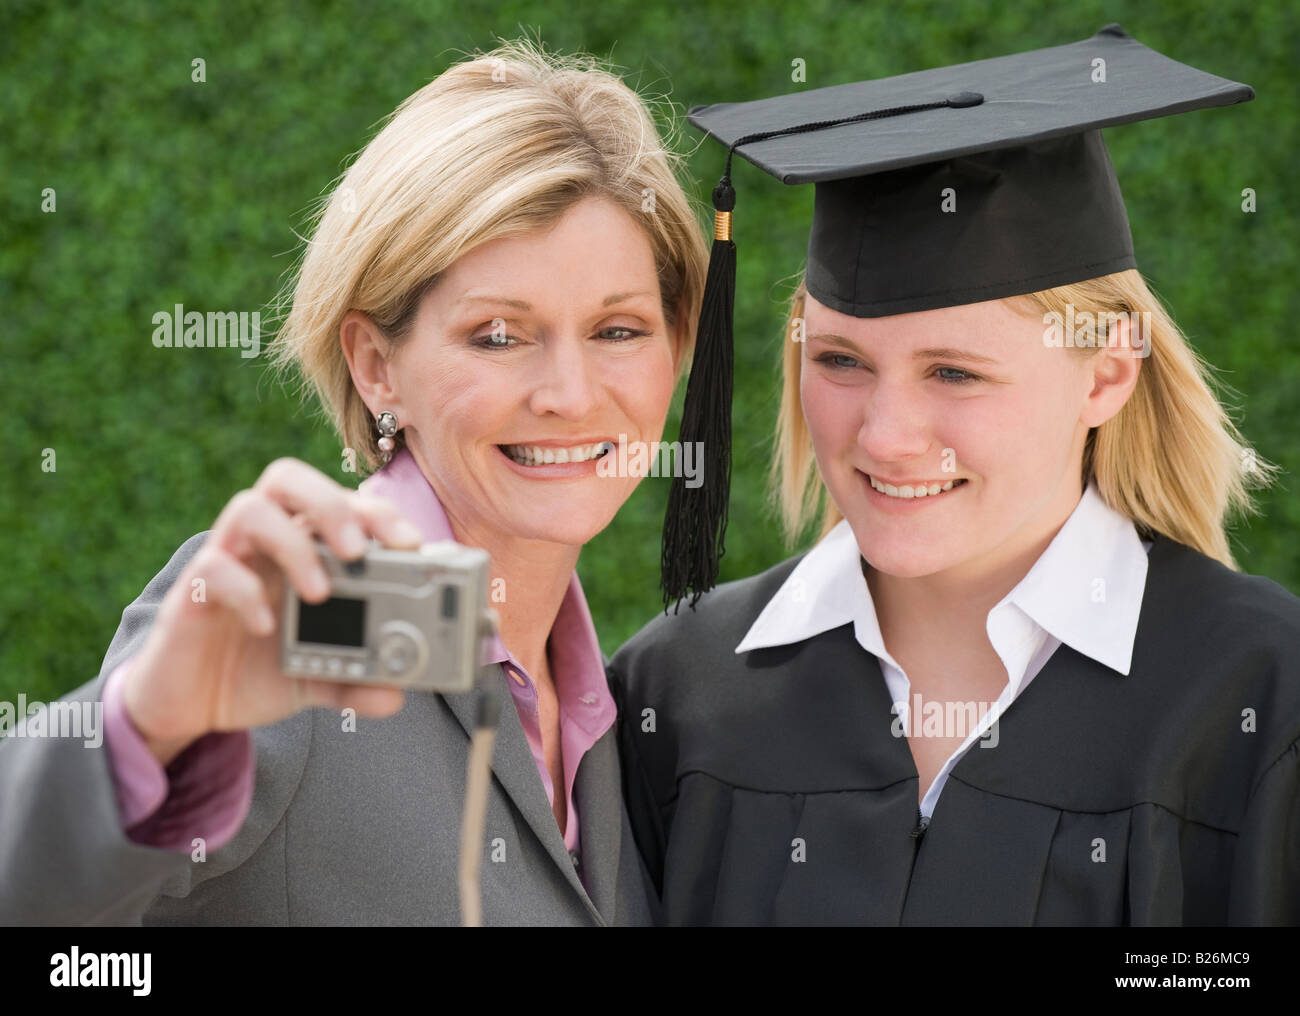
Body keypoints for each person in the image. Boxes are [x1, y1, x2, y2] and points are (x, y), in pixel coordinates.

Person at [0, 39, 707, 925]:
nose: (568, 394)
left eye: (618, 330)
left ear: (676, 348)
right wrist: (140, 728)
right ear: (377, 365)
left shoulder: (613, 713)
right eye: (497, 334)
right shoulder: (301, 615)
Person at [612, 24, 1300, 925]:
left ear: (1106, 372)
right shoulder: (678, 692)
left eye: (955, 372)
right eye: (841, 361)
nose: (888, 437)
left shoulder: (1262, 694)